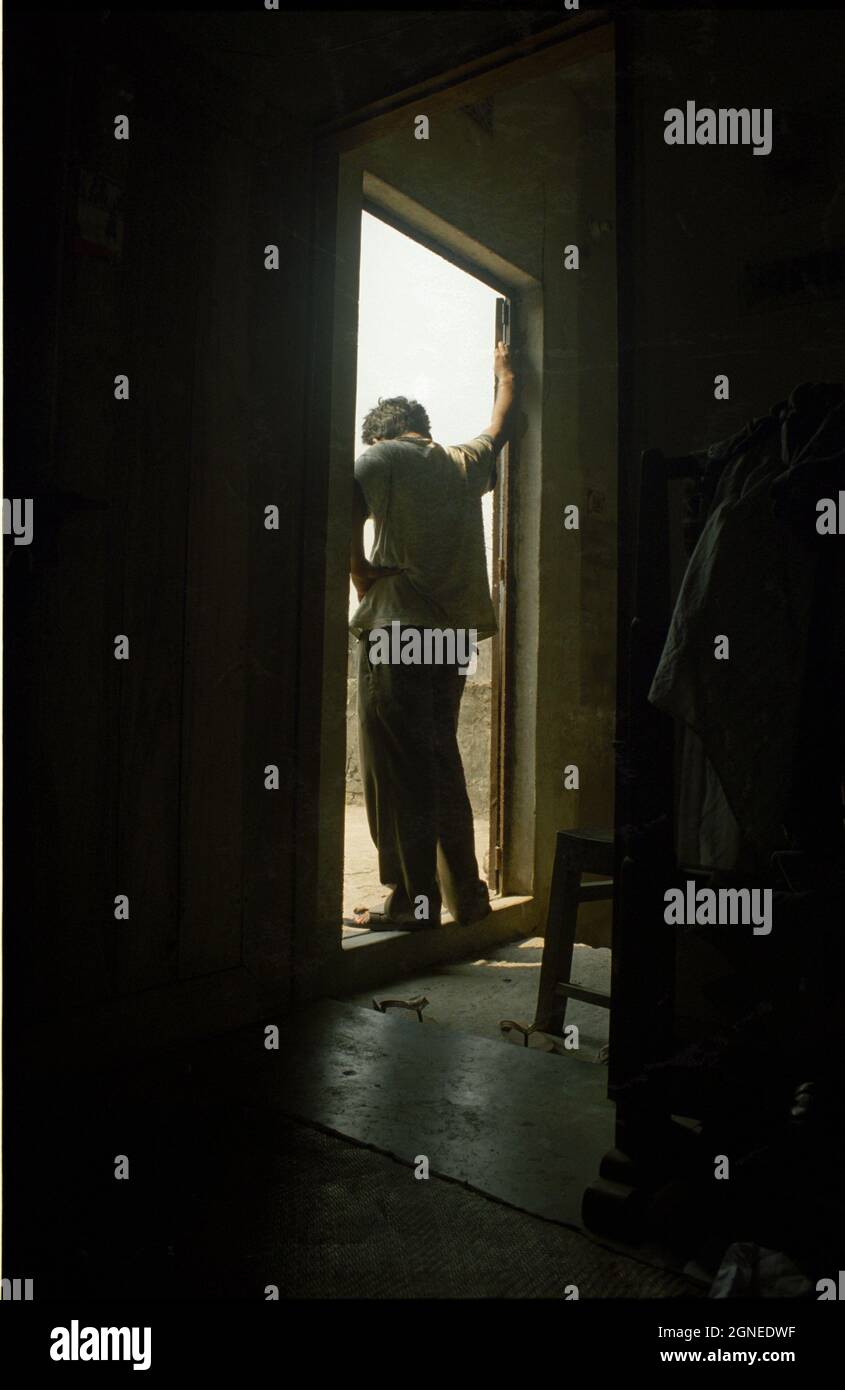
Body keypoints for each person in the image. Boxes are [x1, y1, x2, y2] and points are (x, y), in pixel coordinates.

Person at [348, 341, 516, 928]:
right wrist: (505, 374)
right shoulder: (460, 460)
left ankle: (411, 902)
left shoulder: (380, 457)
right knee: (439, 760)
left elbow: (338, 510)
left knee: (394, 769)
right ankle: (466, 898)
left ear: (384, 434)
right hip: (449, 641)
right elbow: (500, 424)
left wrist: (359, 572)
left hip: (396, 635)